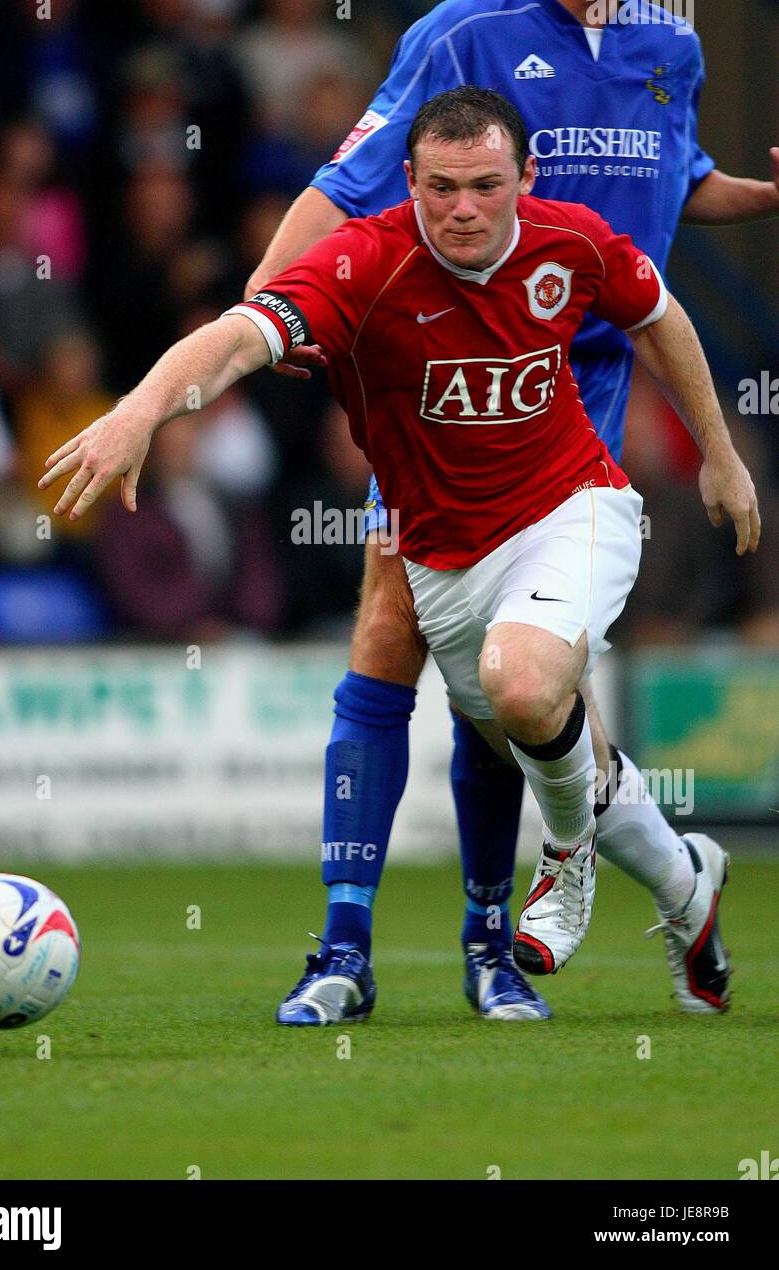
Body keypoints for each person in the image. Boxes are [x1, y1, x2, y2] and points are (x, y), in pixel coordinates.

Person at [38, 87, 760, 1020]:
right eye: (442, 188)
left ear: (525, 178)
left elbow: (657, 314)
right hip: (439, 555)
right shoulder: (363, 263)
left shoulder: (571, 242)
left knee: (522, 685)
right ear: (409, 182)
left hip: (574, 510)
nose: (464, 208)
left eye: (486, 186)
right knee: (537, 727)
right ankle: (683, 885)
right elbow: (231, 342)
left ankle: (563, 860)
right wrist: (138, 410)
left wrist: (719, 452)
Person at [241, 0, 779, 1021]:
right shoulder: (462, 36)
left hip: (581, 398)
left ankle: (514, 930)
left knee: (521, 696)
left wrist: (765, 193)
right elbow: (346, 184)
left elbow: (676, 195)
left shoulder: (668, 47)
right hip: (451, 386)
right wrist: (264, 305)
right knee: (414, 640)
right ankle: (352, 947)